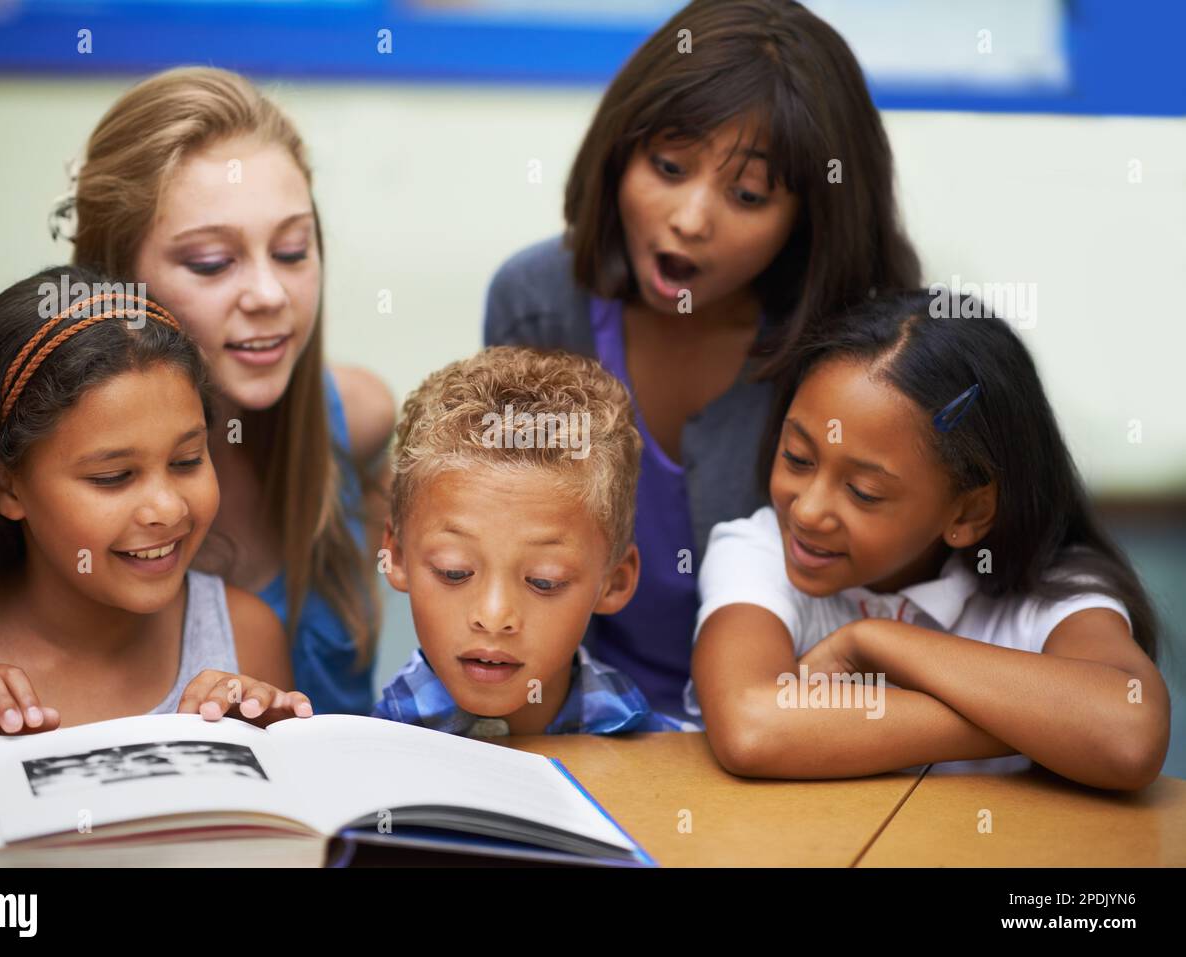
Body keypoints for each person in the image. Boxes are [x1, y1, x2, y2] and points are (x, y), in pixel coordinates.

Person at [484, 0, 920, 719]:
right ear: (619, 151)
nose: (690, 218)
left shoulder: (865, 356)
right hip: (578, 724)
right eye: (668, 165)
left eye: (747, 194)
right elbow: (504, 559)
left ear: (812, 217)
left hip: (800, 732)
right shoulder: (536, 304)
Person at [689, 291, 1170, 790]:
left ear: (968, 511)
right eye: (797, 458)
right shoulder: (760, 549)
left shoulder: (1053, 587)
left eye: (863, 491)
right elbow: (753, 726)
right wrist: (1040, 724)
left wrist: (875, 640)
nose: (807, 511)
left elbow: (1128, 732)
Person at [65, 66, 396, 713]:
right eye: (213, 263)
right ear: (113, 280)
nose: (270, 295)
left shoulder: (358, 421)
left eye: (294, 250)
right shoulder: (36, 468)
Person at [0, 267, 311, 754]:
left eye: (187, 460)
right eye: (113, 477)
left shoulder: (246, 635)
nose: (167, 509)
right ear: (6, 485)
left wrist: (270, 751)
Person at [374, 347, 695, 736]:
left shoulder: (668, 762)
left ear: (616, 581)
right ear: (395, 556)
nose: (494, 617)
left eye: (545, 581)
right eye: (453, 571)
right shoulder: (349, 763)